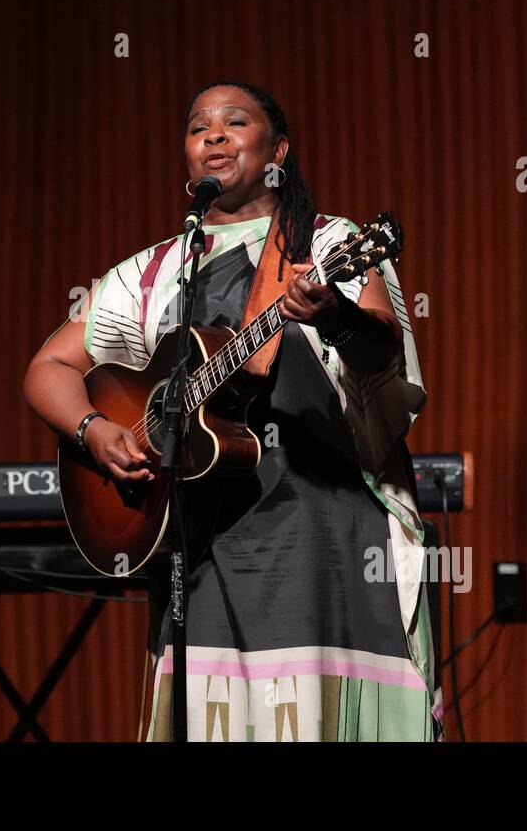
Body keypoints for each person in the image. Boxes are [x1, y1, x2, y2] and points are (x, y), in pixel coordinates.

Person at [24, 80, 442, 741]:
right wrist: (95, 428)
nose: (213, 136)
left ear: (278, 148)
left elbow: (380, 353)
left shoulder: (327, 243)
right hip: (203, 545)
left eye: (234, 122)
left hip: (321, 538)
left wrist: (332, 312)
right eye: (198, 128)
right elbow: (49, 368)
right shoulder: (157, 271)